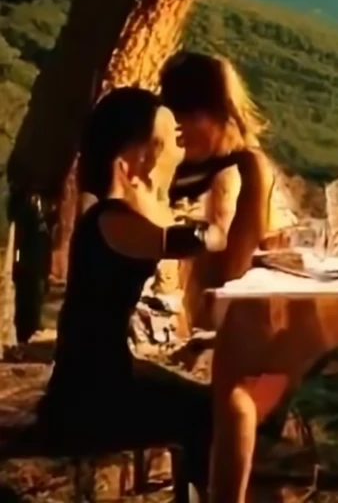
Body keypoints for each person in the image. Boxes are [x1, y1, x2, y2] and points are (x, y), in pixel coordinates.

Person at [38, 87, 224, 496]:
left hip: (98, 379)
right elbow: (191, 241)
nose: (181, 147)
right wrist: (214, 228)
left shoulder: (114, 217)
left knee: (202, 402)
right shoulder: (112, 220)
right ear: (131, 161)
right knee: (214, 413)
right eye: (171, 139)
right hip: (90, 400)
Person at [159, 52, 281, 330]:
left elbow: (231, 273)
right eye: (172, 114)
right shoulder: (173, 169)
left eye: (190, 114)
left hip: (219, 323)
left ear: (220, 114)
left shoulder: (240, 172)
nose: (179, 127)